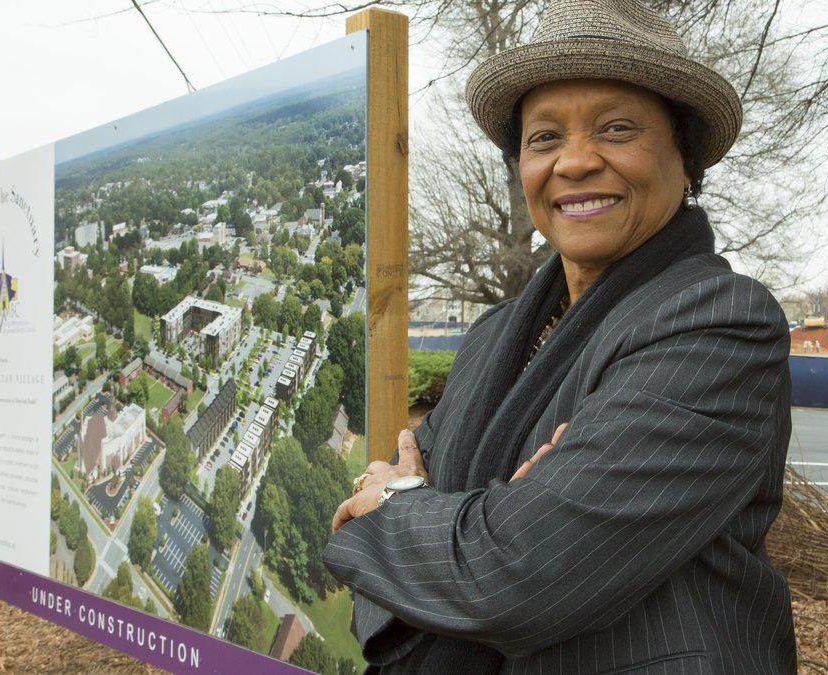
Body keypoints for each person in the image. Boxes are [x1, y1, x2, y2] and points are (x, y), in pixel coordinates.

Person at [323, 0, 797, 672]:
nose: (574, 162)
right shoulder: (493, 337)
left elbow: (516, 574)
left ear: (685, 158)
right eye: (544, 138)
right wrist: (475, 519)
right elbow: (373, 554)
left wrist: (407, 507)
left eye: (617, 127)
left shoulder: (717, 324)